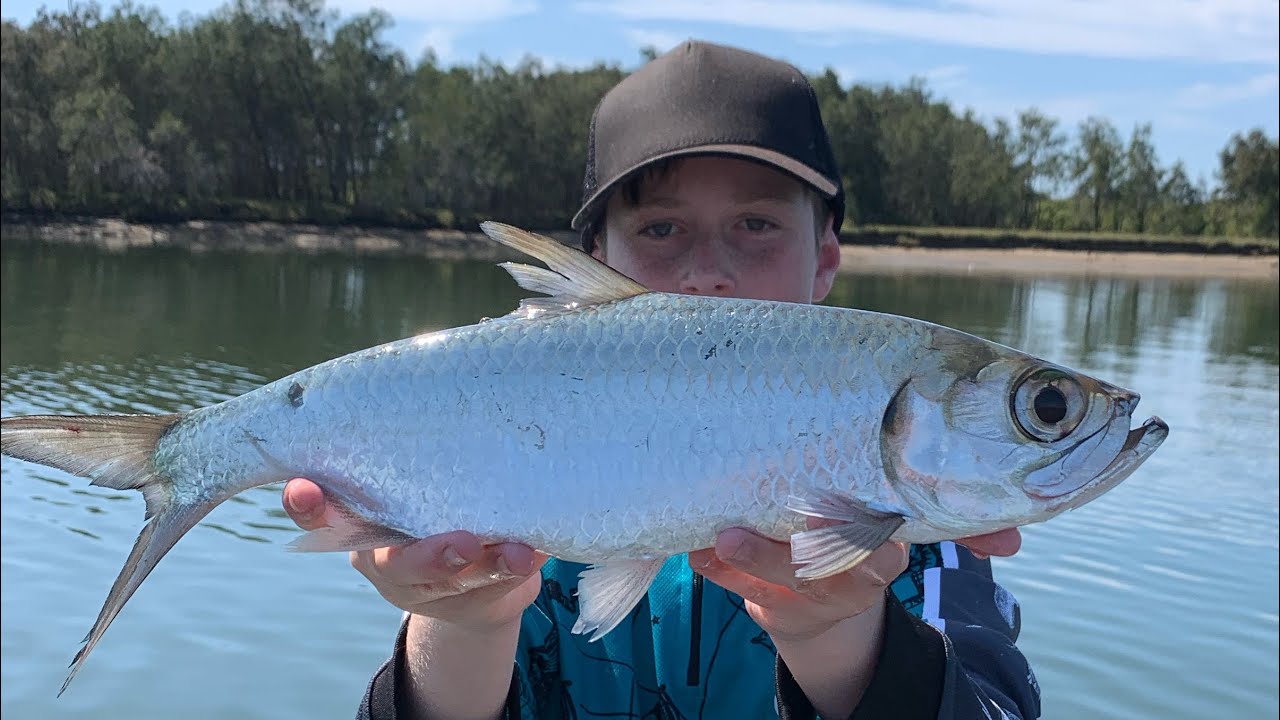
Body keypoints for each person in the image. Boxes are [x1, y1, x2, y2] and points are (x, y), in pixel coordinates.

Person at [283, 40, 1043, 720]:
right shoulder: (515, 487)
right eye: (660, 228)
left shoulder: (922, 521)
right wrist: (464, 619)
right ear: (595, 263)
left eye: (756, 225)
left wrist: (839, 636)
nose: (707, 273)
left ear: (825, 259)